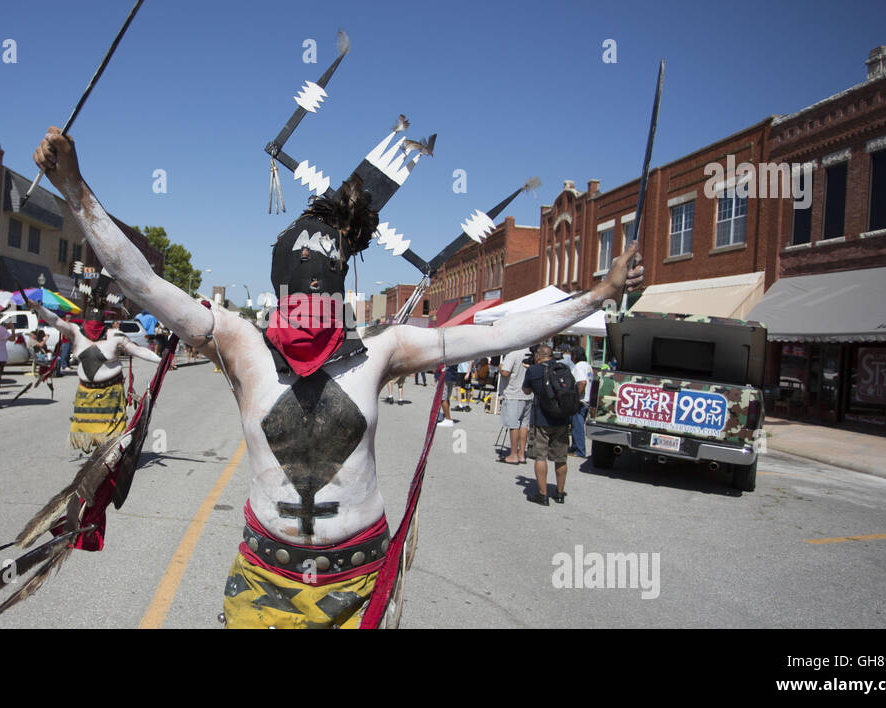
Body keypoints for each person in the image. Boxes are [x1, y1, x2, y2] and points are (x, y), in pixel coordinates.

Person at [34, 124, 643, 628]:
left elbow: (492, 333)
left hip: (359, 586)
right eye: (298, 280)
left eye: (323, 280)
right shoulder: (240, 344)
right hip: (263, 586)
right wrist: (75, 189)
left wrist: (598, 295)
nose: (311, 294)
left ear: (344, 282)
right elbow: (142, 280)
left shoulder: (383, 349)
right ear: (278, 285)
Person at [25, 299, 160, 451]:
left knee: (112, 434)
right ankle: (101, 453)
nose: (93, 328)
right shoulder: (75, 332)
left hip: (110, 393)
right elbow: (55, 320)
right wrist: (38, 307)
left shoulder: (115, 335)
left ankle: (112, 454)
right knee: (88, 431)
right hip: (86, 394)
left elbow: (138, 350)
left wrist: (161, 361)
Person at [523, 344, 573, 506]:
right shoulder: (563, 368)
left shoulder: (533, 370)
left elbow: (526, 391)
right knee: (561, 458)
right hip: (562, 419)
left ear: (538, 356)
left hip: (541, 419)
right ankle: (559, 493)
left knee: (540, 456)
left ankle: (542, 494)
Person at [498, 345, 533, 464]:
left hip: (514, 393)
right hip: (528, 394)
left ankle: (513, 454)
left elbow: (505, 372)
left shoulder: (512, 354)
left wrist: (500, 367)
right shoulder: (530, 353)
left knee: (514, 425)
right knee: (524, 425)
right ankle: (521, 454)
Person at [569, 347, 593, 458]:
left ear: (575, 356)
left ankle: (579, 450)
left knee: (577, 426)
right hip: (587, 400)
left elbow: (582, 382)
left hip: (580, 401)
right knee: (576, 425)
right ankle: (574, 446)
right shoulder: (588, 366)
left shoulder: (579, 366)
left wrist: (576, 397)